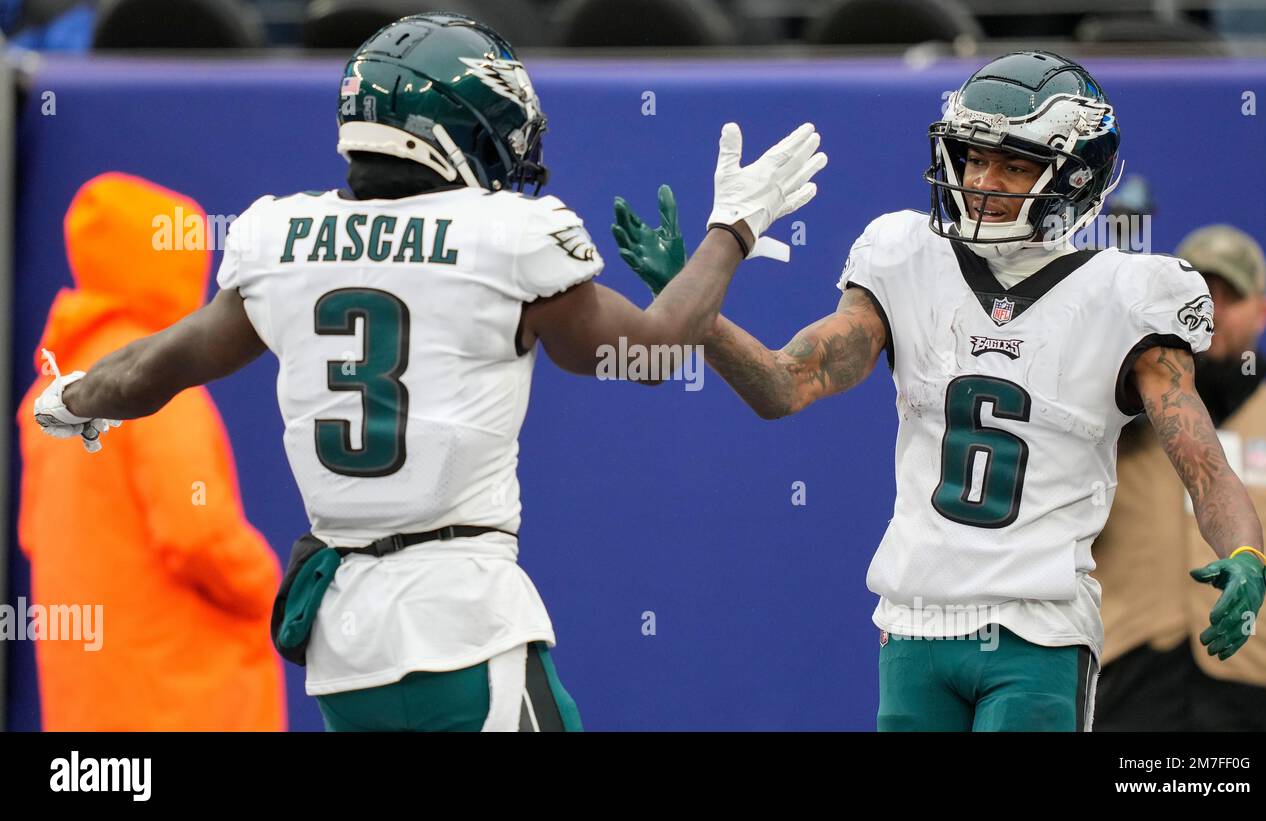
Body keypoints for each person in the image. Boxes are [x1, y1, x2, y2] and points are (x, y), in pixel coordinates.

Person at [29, 13, 826, 731]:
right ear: (448, 127)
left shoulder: (280, 238)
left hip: (343, 650)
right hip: (462, 624)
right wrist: (734, 228)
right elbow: (654, 353)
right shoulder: (505, 236)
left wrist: (70, 397)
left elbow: (151, 368)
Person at [611, 51, 1266, 731]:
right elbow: (786, 383)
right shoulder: (906, 256)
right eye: (973, 156)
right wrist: (701, 317)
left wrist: (1244, 553)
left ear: (1076, 176)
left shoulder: (1130, 293)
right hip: (915, 623)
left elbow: (1205, 467)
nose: (983, 180)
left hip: (1037, 629)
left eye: (1014, 163)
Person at [17, 171, 285, 731]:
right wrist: (268, 586)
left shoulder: (58, 388)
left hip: (88, 710)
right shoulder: (153, 383)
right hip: (182, 703)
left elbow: (32, 535)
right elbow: (198, 533)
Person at [1093, 224, 1266, 731]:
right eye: (1202, 295)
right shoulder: (1110, 425)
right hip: (1129, 694)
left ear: (1264, 311)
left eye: (1231, 297)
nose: (1215, 312)